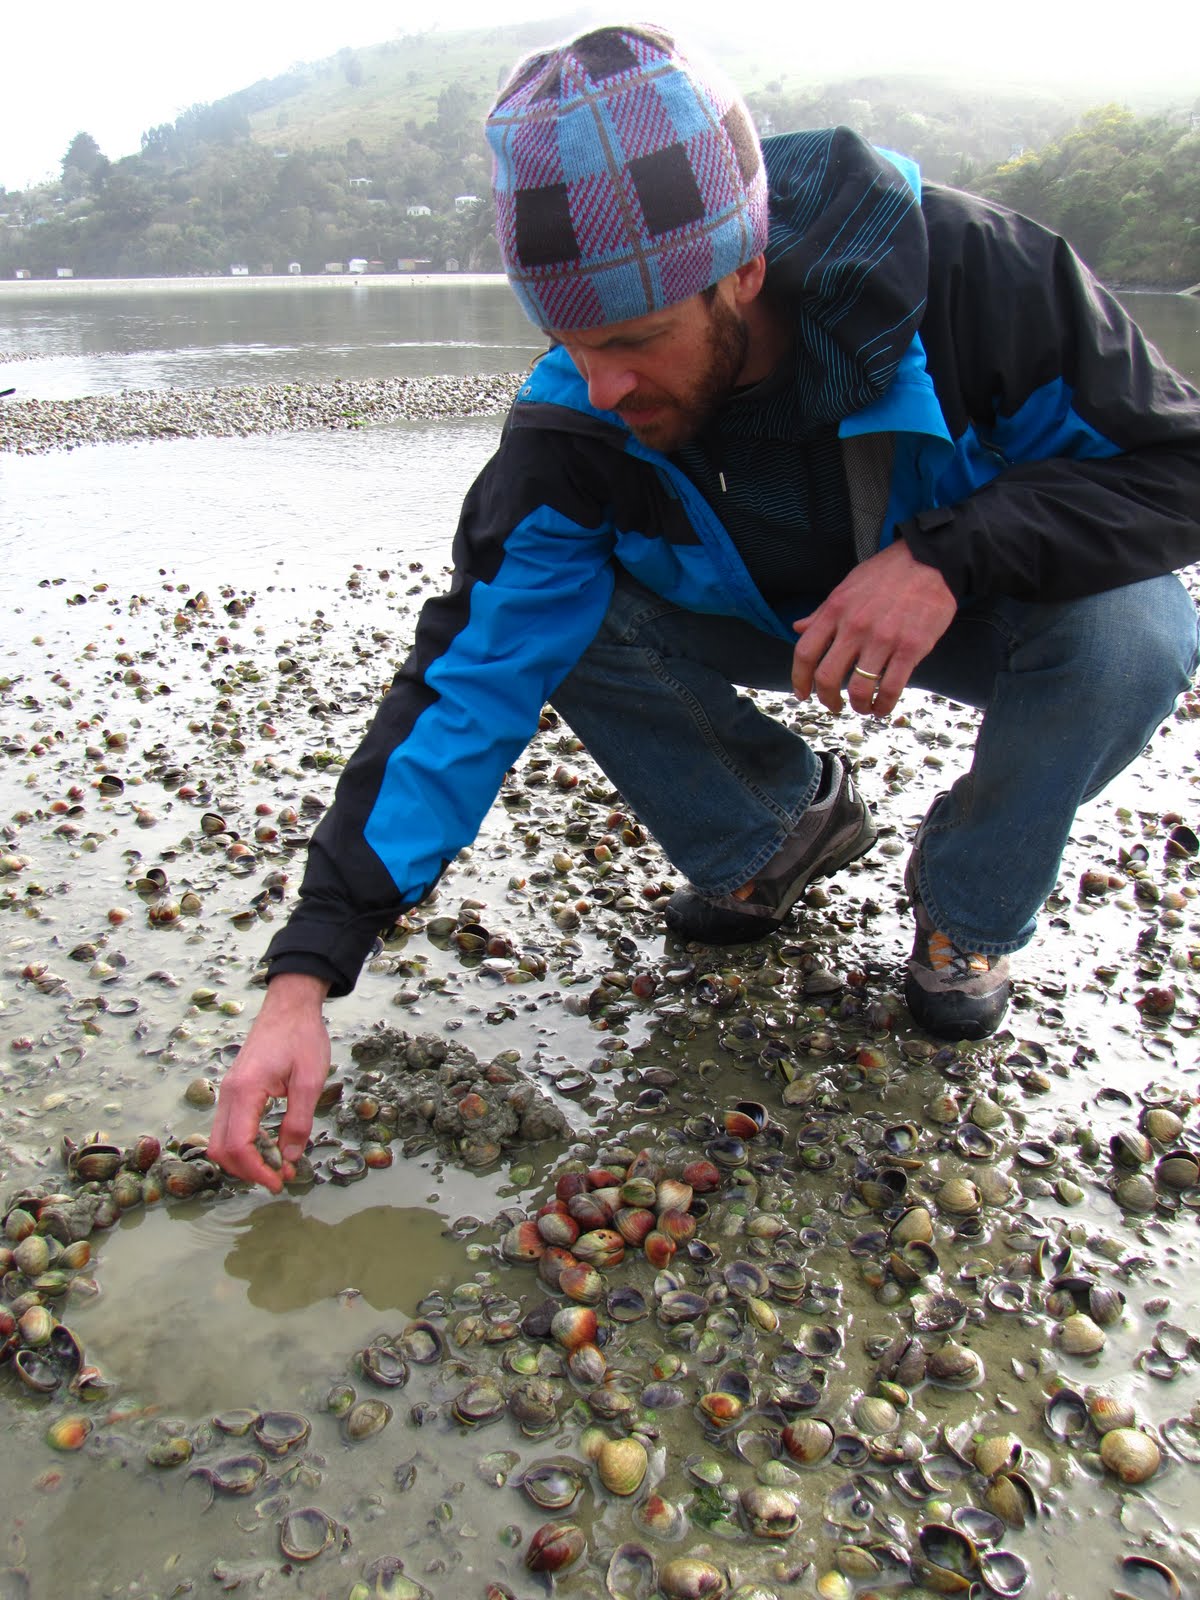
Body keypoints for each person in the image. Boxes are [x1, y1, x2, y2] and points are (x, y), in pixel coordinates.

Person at [208, 24, 1200, 1192]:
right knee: (544, 614)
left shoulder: (977, 279)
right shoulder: (574, 430)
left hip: (969, 605)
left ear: (744, 270)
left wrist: (948, 554)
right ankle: (776, 830)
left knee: (1138, 628)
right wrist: (305, 977)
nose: (603, 384)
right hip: (749, 614)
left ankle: (967, 901)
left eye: (633, 340)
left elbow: (1174, 470)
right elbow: (465, 683)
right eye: (570, 344)